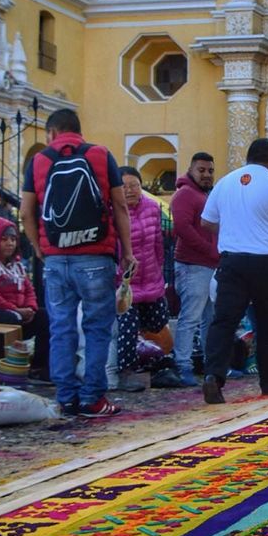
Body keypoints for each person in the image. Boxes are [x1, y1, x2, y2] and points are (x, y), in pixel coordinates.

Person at [21, 107, 135, 418]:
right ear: (77, 130)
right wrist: (126, 250)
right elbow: (120, 206)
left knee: (61, 328)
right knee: (97, 328)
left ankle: (66, 397)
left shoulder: (39, 160)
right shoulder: (100, 155)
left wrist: (38, 247)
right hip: (95, 257)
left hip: (57, 259)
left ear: (51, 133)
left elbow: (26, 212)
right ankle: (93, 399)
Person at [199, 137, 268, 403]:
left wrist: (233, 230)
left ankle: (213, 376)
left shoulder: (225, 182)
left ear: (247, 156)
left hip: (232, 260)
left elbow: (206, 222)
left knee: (224, 321)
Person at [117, 166, 175, 387]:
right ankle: (127, 371)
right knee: (127, 327)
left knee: (159, 320)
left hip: (150, 278)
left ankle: (148, 355)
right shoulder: (114, 212)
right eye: (124, 187)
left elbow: (158, 245)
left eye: (135, 185)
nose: (130, 190)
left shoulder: (152, 208)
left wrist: (157, 271)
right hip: (125, 284)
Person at [0, 217, 49, 378]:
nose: (10, 243)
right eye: (4, 239)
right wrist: (17, 311)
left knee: (45, 316)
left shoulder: (16, 262)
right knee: (8, 318)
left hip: (17, 313)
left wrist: (30, 309)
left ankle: (39, 368)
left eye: (13, 239)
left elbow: (29, 289)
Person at [171, 152, 218, 386]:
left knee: (210, 318)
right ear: (191, 169)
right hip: (193, 265)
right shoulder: (185, 195)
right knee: (190, 317)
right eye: (201, 170)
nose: (207, 174)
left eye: (210, 170)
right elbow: (182, 228)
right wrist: (209, 251)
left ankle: (212, 365)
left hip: (209, 265)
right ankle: (183, 364)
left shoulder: (204, 195)